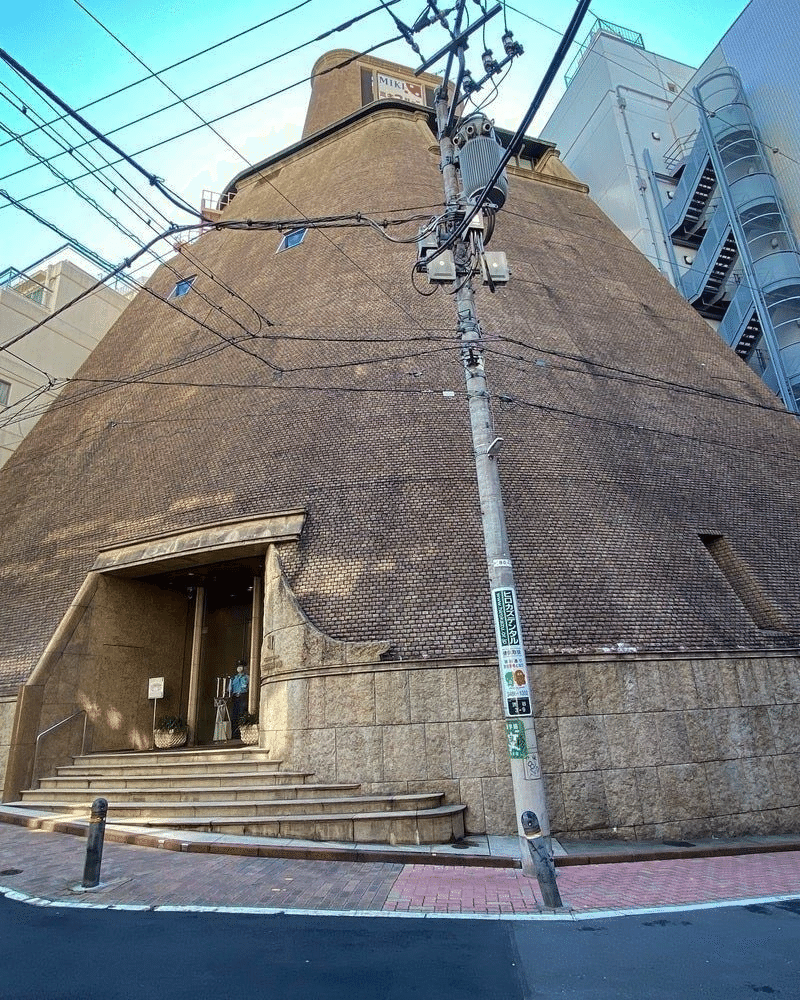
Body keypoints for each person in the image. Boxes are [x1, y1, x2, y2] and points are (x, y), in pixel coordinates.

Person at [228, 660, 249, 738]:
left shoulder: (247, 677)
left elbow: (249, 687)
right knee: (234, 715)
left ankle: (243, 733)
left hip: (243, 696)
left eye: (241, 666)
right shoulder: (233, 678)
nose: (239, 668)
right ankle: (234, 734)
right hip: (235, 697)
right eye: (238, 666)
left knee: (242, 713)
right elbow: (230, 688)